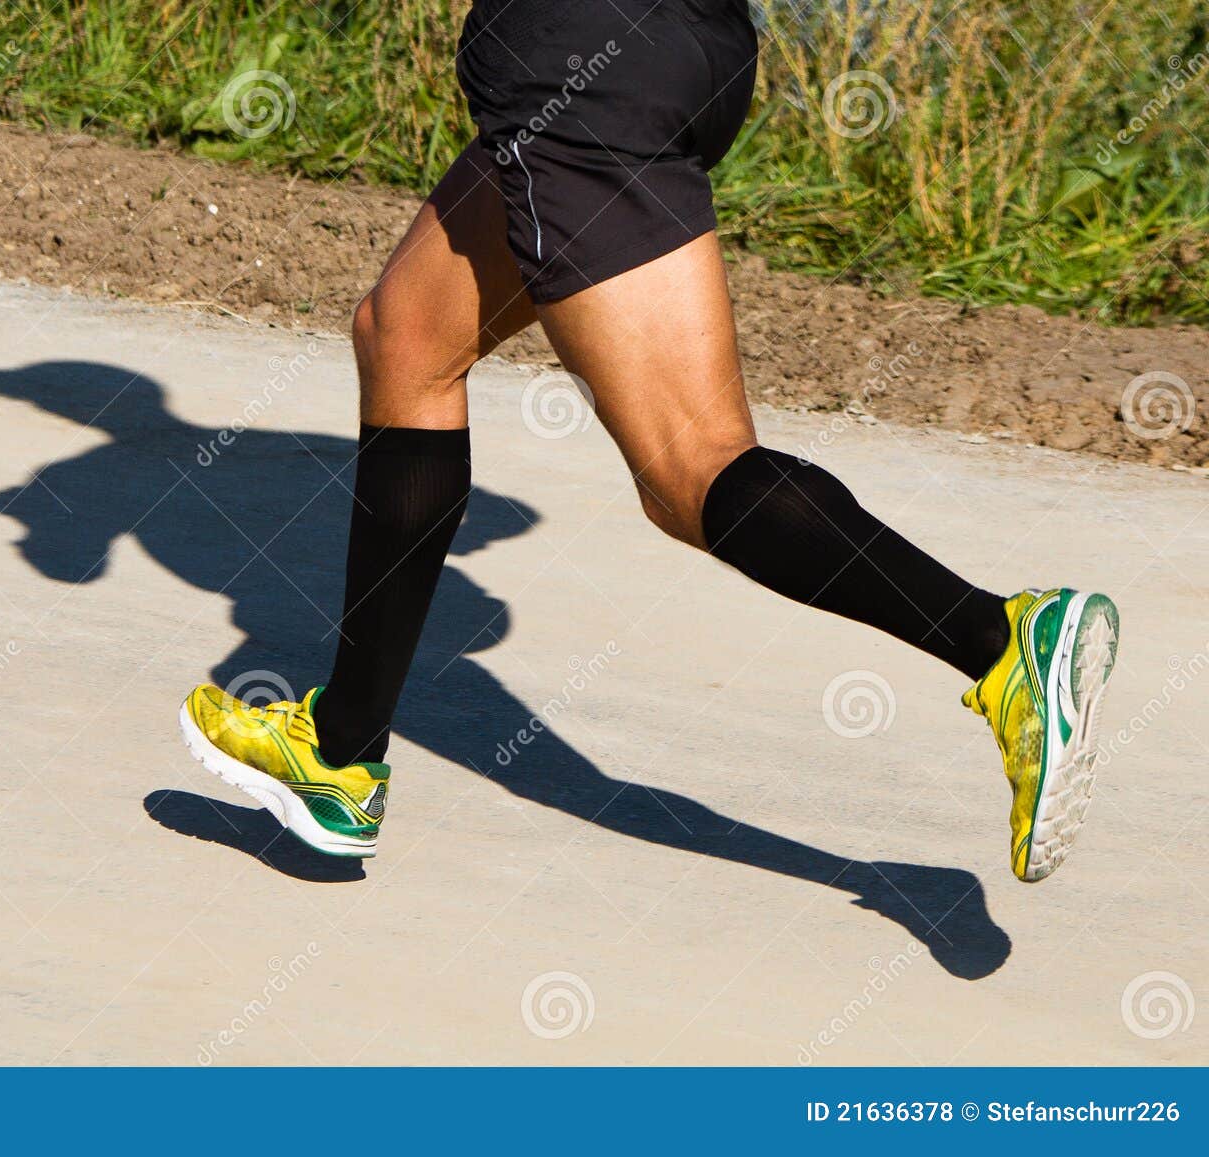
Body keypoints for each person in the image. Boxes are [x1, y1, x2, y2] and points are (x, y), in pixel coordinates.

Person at [179, 0, 1119, 882]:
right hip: (679, 43)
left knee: (691, 467)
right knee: (404, 336)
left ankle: (999, 640)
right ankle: (338, 753)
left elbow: (70, 568)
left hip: (577, 60)